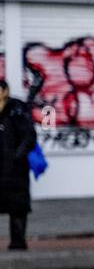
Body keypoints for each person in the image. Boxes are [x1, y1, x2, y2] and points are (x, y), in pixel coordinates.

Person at [0, 79, 37, 251]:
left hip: (15, 169)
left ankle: (18, 242)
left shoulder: (17, 109)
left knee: (17, 207)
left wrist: (17, 156)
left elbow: (29, 136)